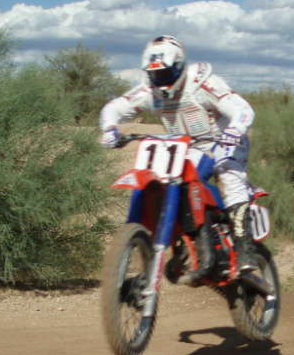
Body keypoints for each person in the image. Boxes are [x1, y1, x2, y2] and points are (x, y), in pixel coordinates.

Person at [99, 35, 257, 274]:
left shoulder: (203, 83)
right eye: (156, 73)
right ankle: (187, 238)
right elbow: (115, 107)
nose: (161, 79)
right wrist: (110, 128)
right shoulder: (149, 91)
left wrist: (236, 128)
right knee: (171, 179)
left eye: (166, 73)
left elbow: (241, 108)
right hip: (186, 145)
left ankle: (245, 251)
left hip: (224, 139)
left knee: (229, 176)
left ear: (180, 66)